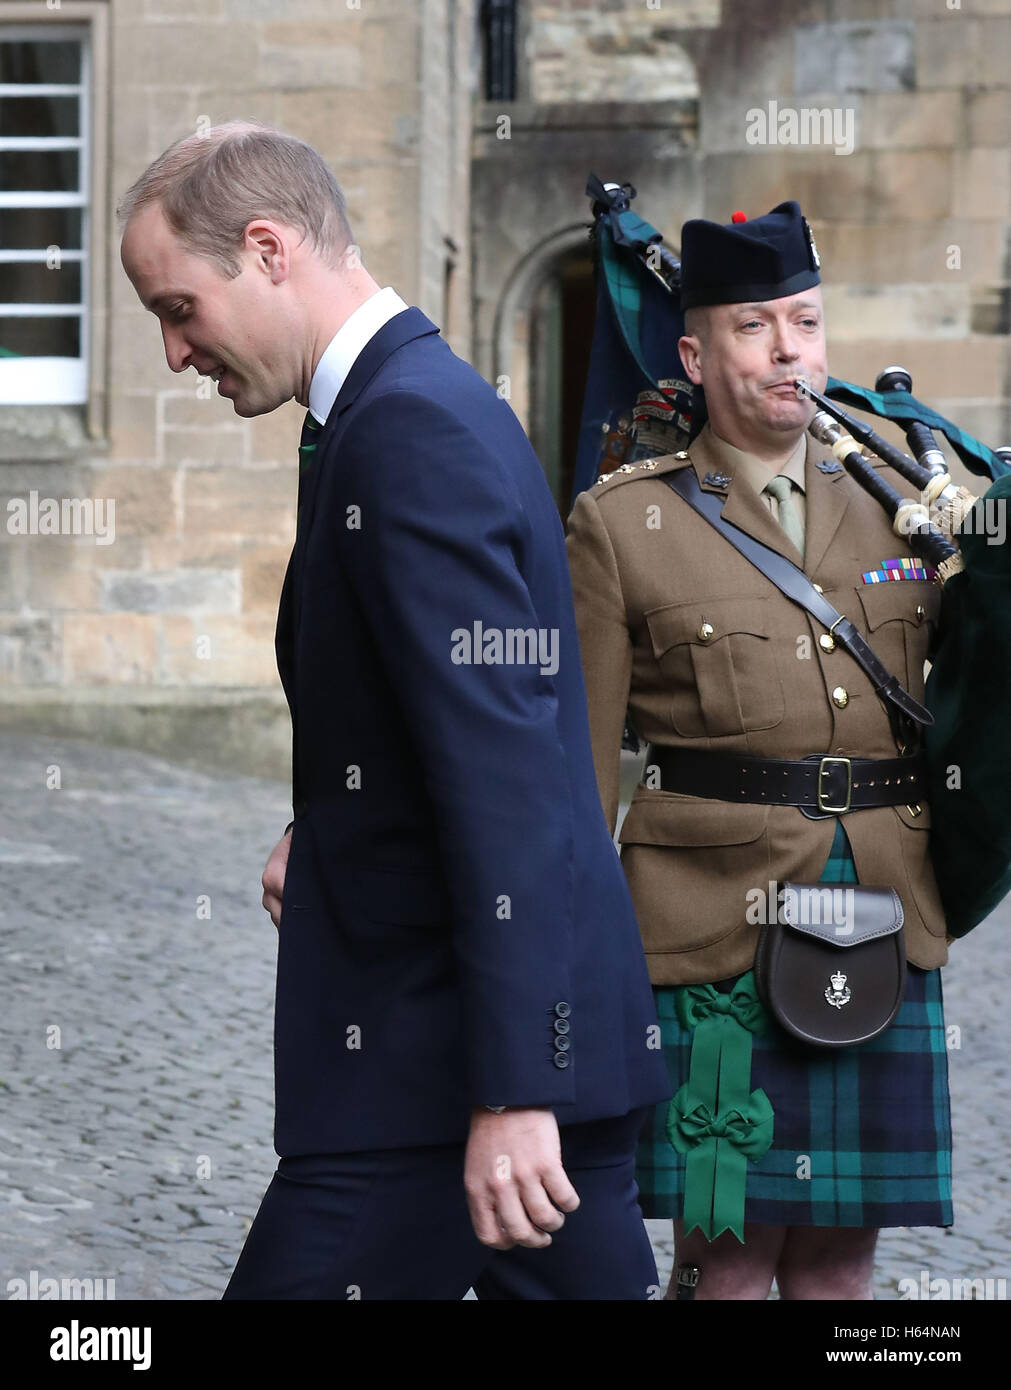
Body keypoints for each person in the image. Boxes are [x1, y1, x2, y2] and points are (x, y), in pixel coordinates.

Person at [117, 120, 671, 1300]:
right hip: (449, 1059)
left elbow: (509, 773)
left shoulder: (408, 427)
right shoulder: (385, 408)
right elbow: (425, 726)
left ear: (267, 250)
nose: (174, 354)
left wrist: (518, 1091)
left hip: (450, 1074)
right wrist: (328, 824)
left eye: (177, 308)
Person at [565, 201, 953, 1300]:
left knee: (842, 1256)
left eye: (807, 322)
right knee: (726, 1247)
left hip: (880, 906)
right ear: (695, 352)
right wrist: (569, 975)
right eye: (756, 327)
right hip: (712, 931)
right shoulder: (620, 524)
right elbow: (582, 775)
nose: (792, 351)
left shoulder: (904, 511)